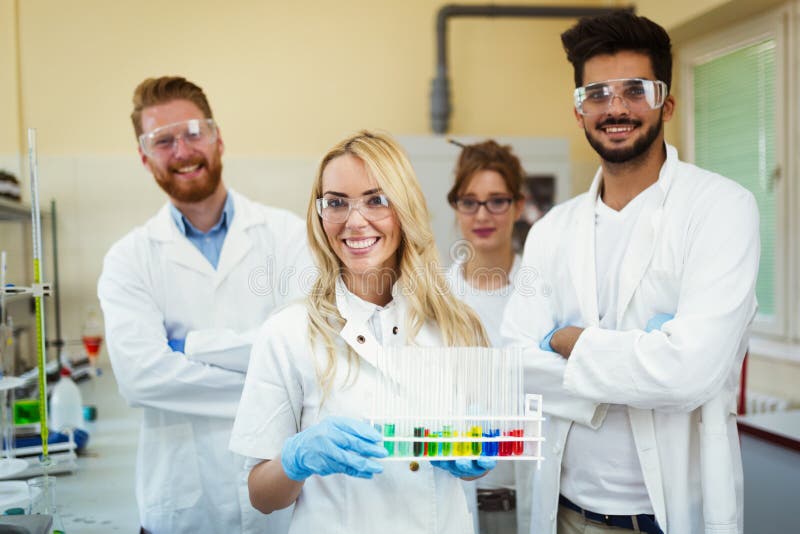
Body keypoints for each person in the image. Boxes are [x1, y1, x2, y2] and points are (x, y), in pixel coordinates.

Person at [502, 12, 759, 534]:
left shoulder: (721, 208)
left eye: (635, 90)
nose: (615, 107)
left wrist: (570, 340)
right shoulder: (552, 229)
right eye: (596, 93)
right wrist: (645, 351)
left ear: (667, 102)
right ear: (578, 112)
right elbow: (515, 365)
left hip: (672, 518)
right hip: (566, 513)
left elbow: (690, 372)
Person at [229, 130, 496, 533]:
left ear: (405, 209)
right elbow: (261, 496)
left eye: (376, 200)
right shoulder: (287, 333)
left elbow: (472, 470)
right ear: (319, 215)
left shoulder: (457, 325)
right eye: (336, 203)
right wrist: (295, 459)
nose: (355, 222)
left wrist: (477, 452)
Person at [97, 76, 311, 533]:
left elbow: (304, 355)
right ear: (144, 156)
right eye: (163, 140)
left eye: (193, 132)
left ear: (217, 138)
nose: (182, 151)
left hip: (281, 507)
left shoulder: (287, 236)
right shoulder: (129, 259)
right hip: (182, 506)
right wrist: (268, 385)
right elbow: (140, 379)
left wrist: (185, 347)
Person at [445, 139, 532, 534]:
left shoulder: (544, 292)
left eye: (496, 200)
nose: (483, 214)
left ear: (518, 205)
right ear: (456, 207)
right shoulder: (436, 300)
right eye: (469, 201)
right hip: (456, 499)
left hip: (533, 493)